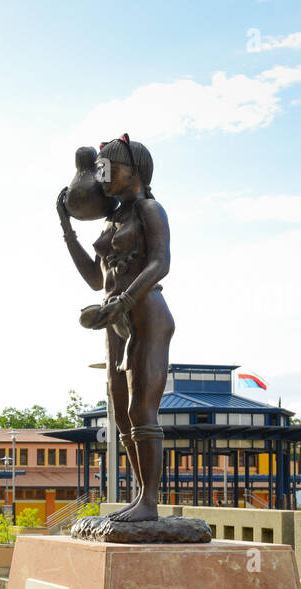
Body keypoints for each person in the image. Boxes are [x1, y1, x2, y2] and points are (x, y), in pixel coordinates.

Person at [58, 134, 173, 523]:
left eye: (109, 167)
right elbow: (95, 278)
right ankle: (140, 495)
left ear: (135, 170)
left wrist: (126, 300)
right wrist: (67, 229)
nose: (101, 175)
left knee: (142, 407)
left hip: (145, 312)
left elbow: (160, 264)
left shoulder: (150, 210)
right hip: (113, 319)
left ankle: (150, 501)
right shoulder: (114, 218)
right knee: (121, 413)